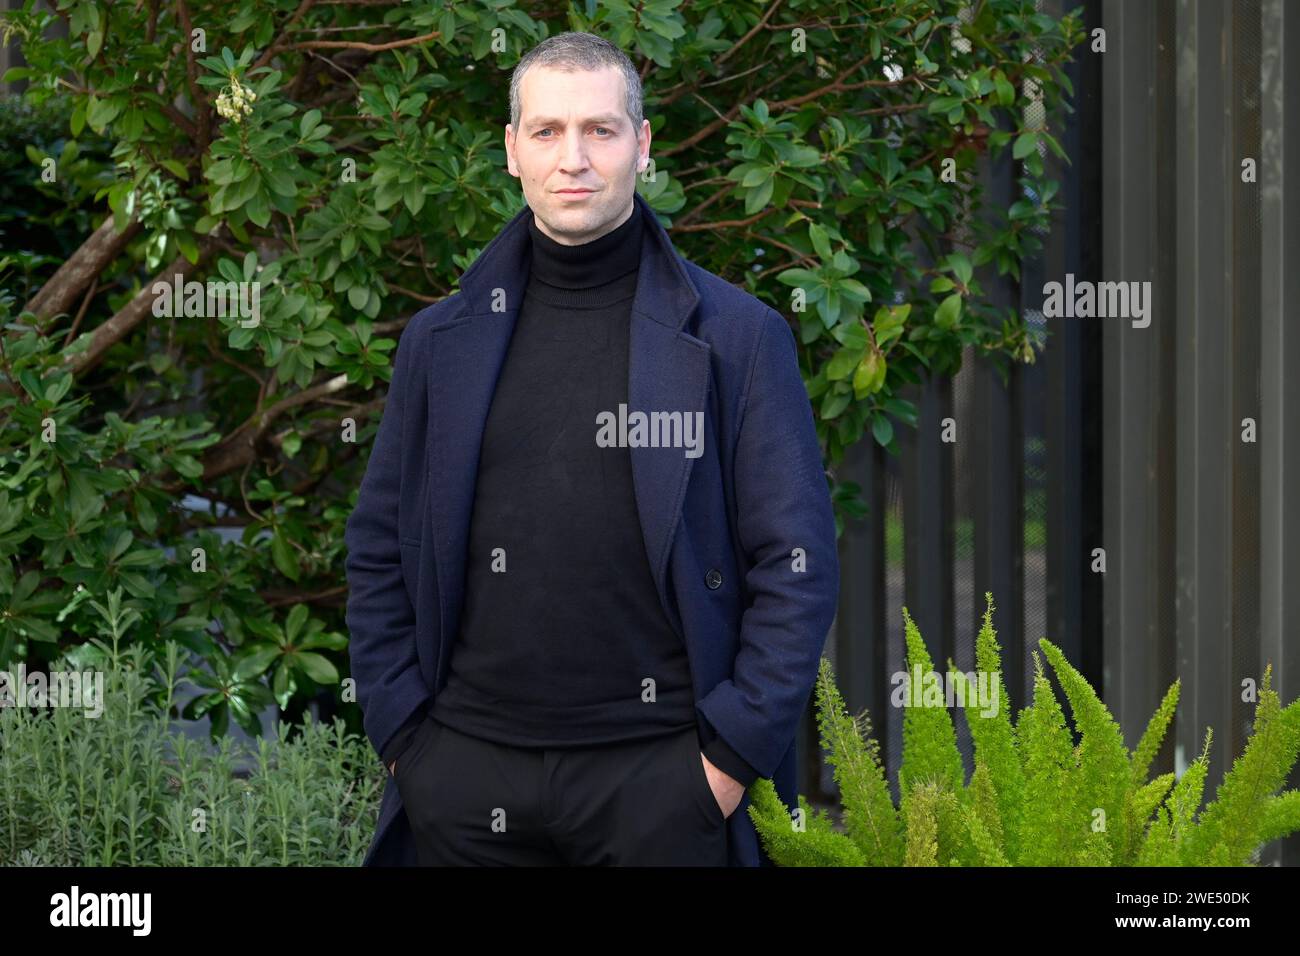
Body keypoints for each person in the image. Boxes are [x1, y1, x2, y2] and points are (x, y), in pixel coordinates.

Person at [344, 30, 839, 866]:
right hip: (463, 787)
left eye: (600, 130)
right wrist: (406, 743)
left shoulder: (738, 339)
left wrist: (722, 767)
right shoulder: (440, 341)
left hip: (662, 785)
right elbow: (378, 547)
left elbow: (796, 563)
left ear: (641, 146)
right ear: (511, 151)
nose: (573, 157)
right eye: (547, 131)